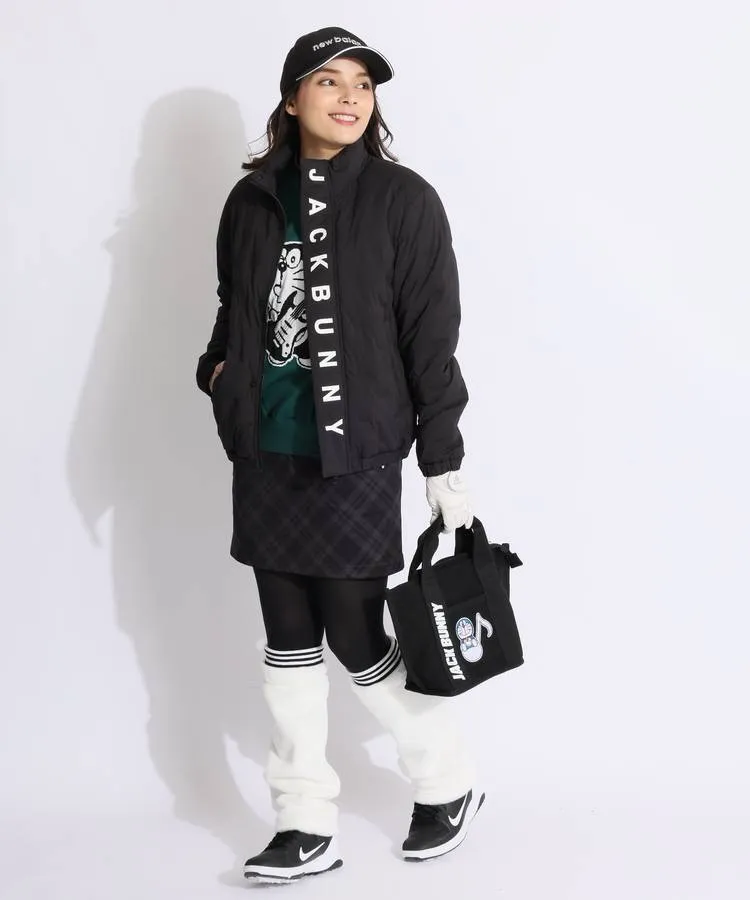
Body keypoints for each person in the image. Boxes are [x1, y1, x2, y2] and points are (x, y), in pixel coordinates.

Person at [196, 25, 481, 884]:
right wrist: (216, 373)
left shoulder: (403, 200)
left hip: (357, 456)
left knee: (357, 637)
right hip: (265, 453)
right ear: (292, 99)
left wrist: (443, 462)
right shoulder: (250, 201)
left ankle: (447, 780)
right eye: (328, 81)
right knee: (286, 641)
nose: (350, 96)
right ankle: (303, 819)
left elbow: (431, 339)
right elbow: (233, 306)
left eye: (363, 83)